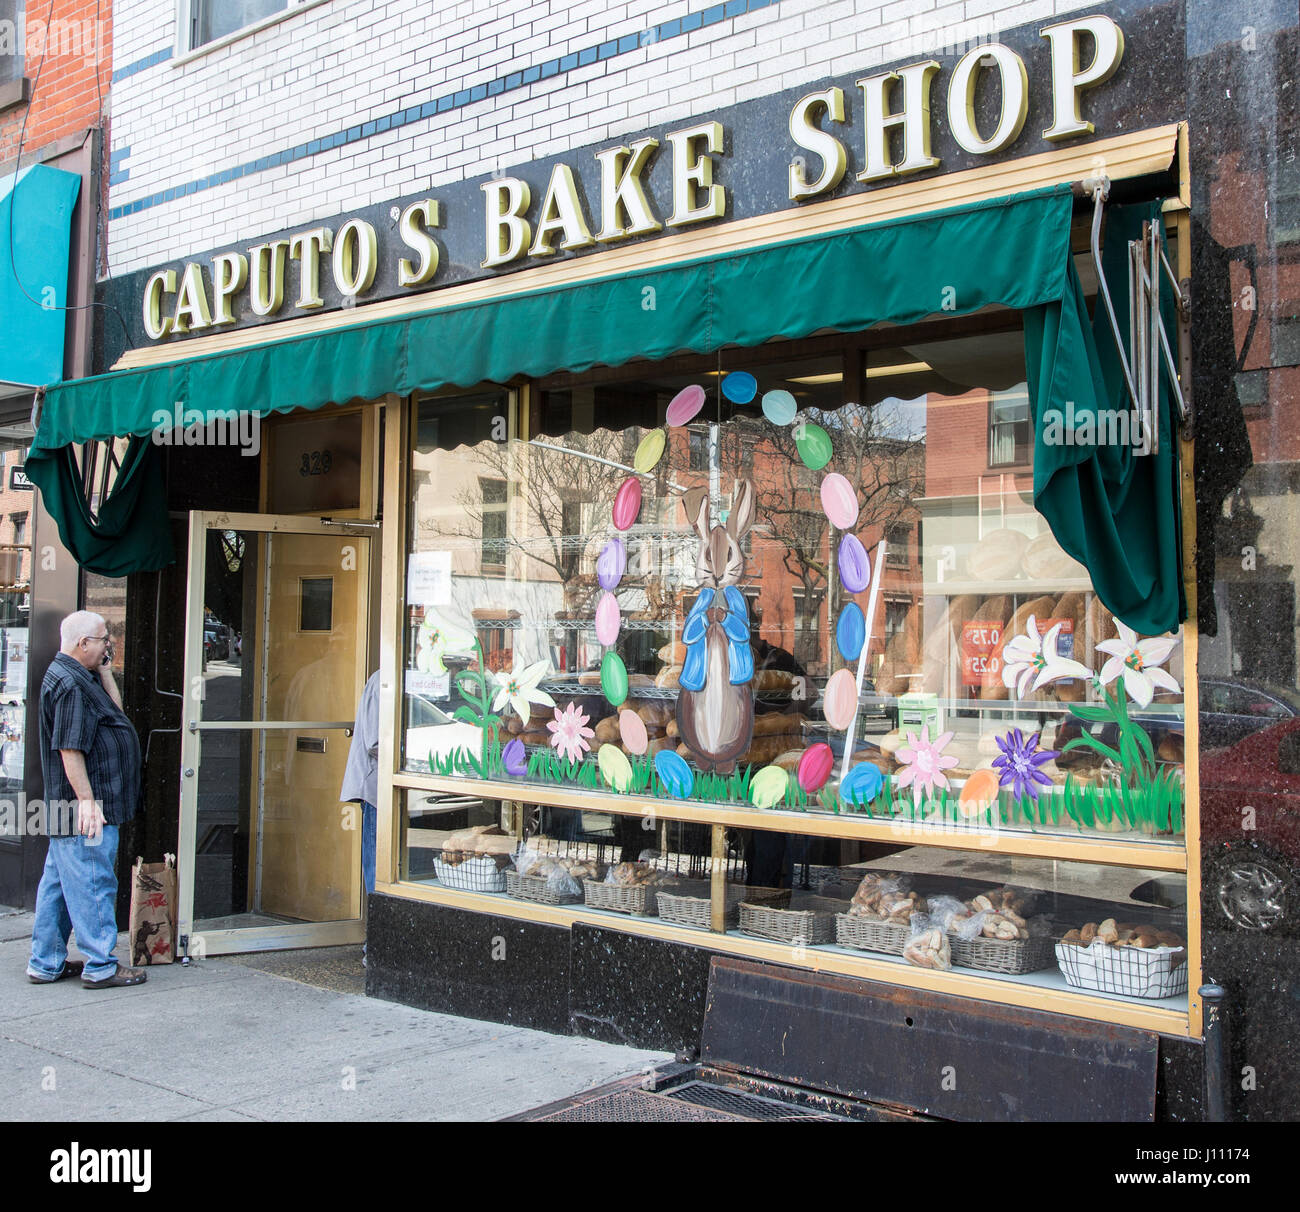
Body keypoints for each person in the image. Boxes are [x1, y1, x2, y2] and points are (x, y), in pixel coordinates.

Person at [27, 611, 146, 988]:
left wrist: (107, 671)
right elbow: (69, 748)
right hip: (86, 810)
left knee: (58, 886)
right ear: (83, 644)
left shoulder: (80, 676)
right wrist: (88, 802)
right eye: (103, 639)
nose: (108, 643)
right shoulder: (71, 684)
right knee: (94, 882)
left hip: (72, 809)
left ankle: (44, 963)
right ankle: (101, 966)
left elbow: (117, 716)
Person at [341, 670, 380, 900]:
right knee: (376, 860)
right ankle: (378, 923)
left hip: (383, 787)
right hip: (376, 786)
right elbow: (375, 742)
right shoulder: (382, 680)